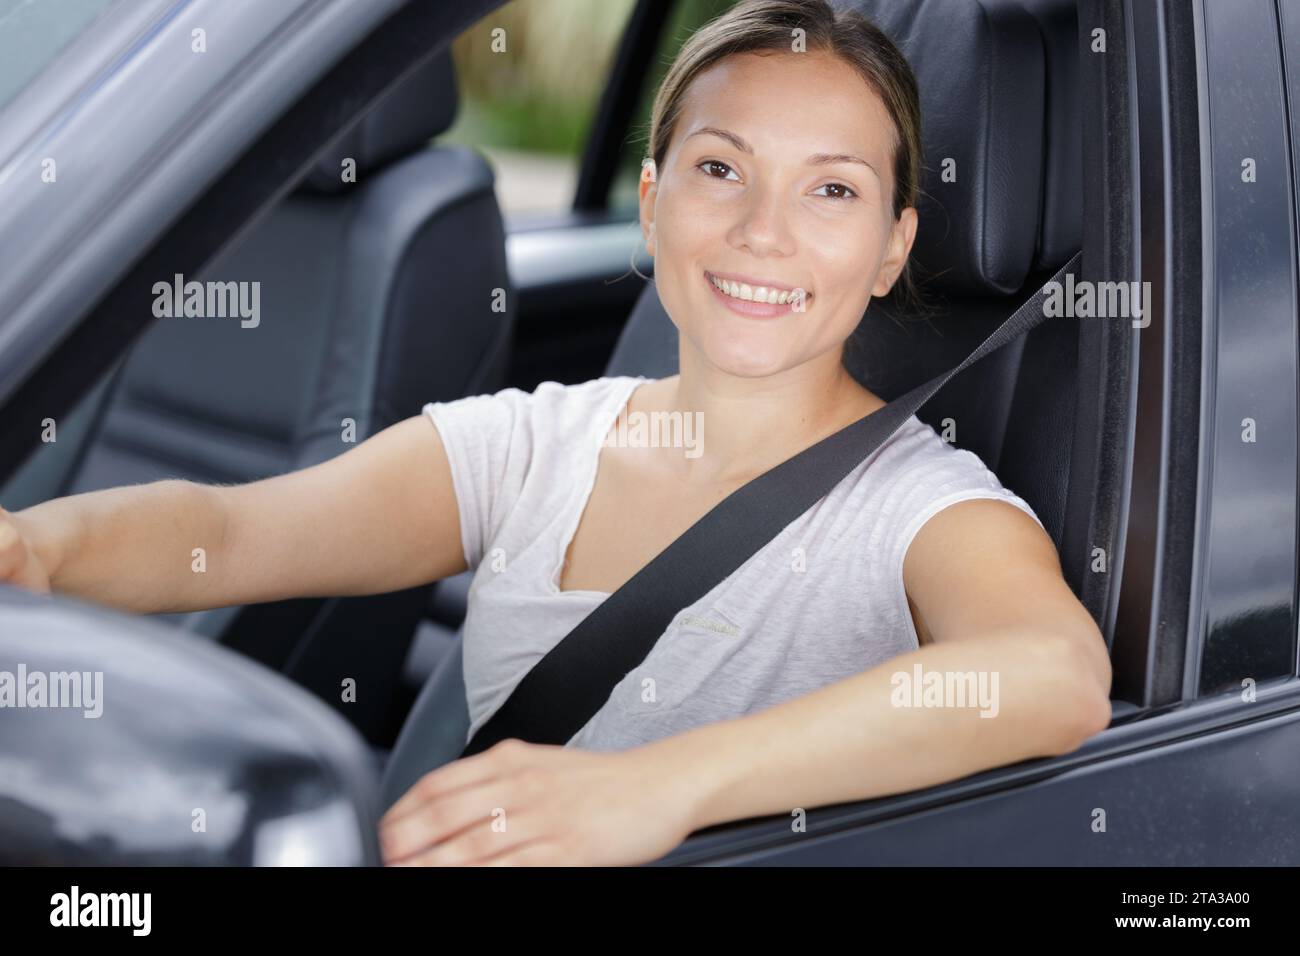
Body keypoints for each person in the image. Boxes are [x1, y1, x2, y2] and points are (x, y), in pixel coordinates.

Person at [0, 0, 1112, 866]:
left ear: (889, 244)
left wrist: (655, 784)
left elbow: (1050, 673)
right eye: (720, 169)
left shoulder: (920, 507)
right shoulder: (532, 445)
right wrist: (37, 552)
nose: (763, 231)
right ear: (650, 199)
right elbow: (231, 534)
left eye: (831, 191)